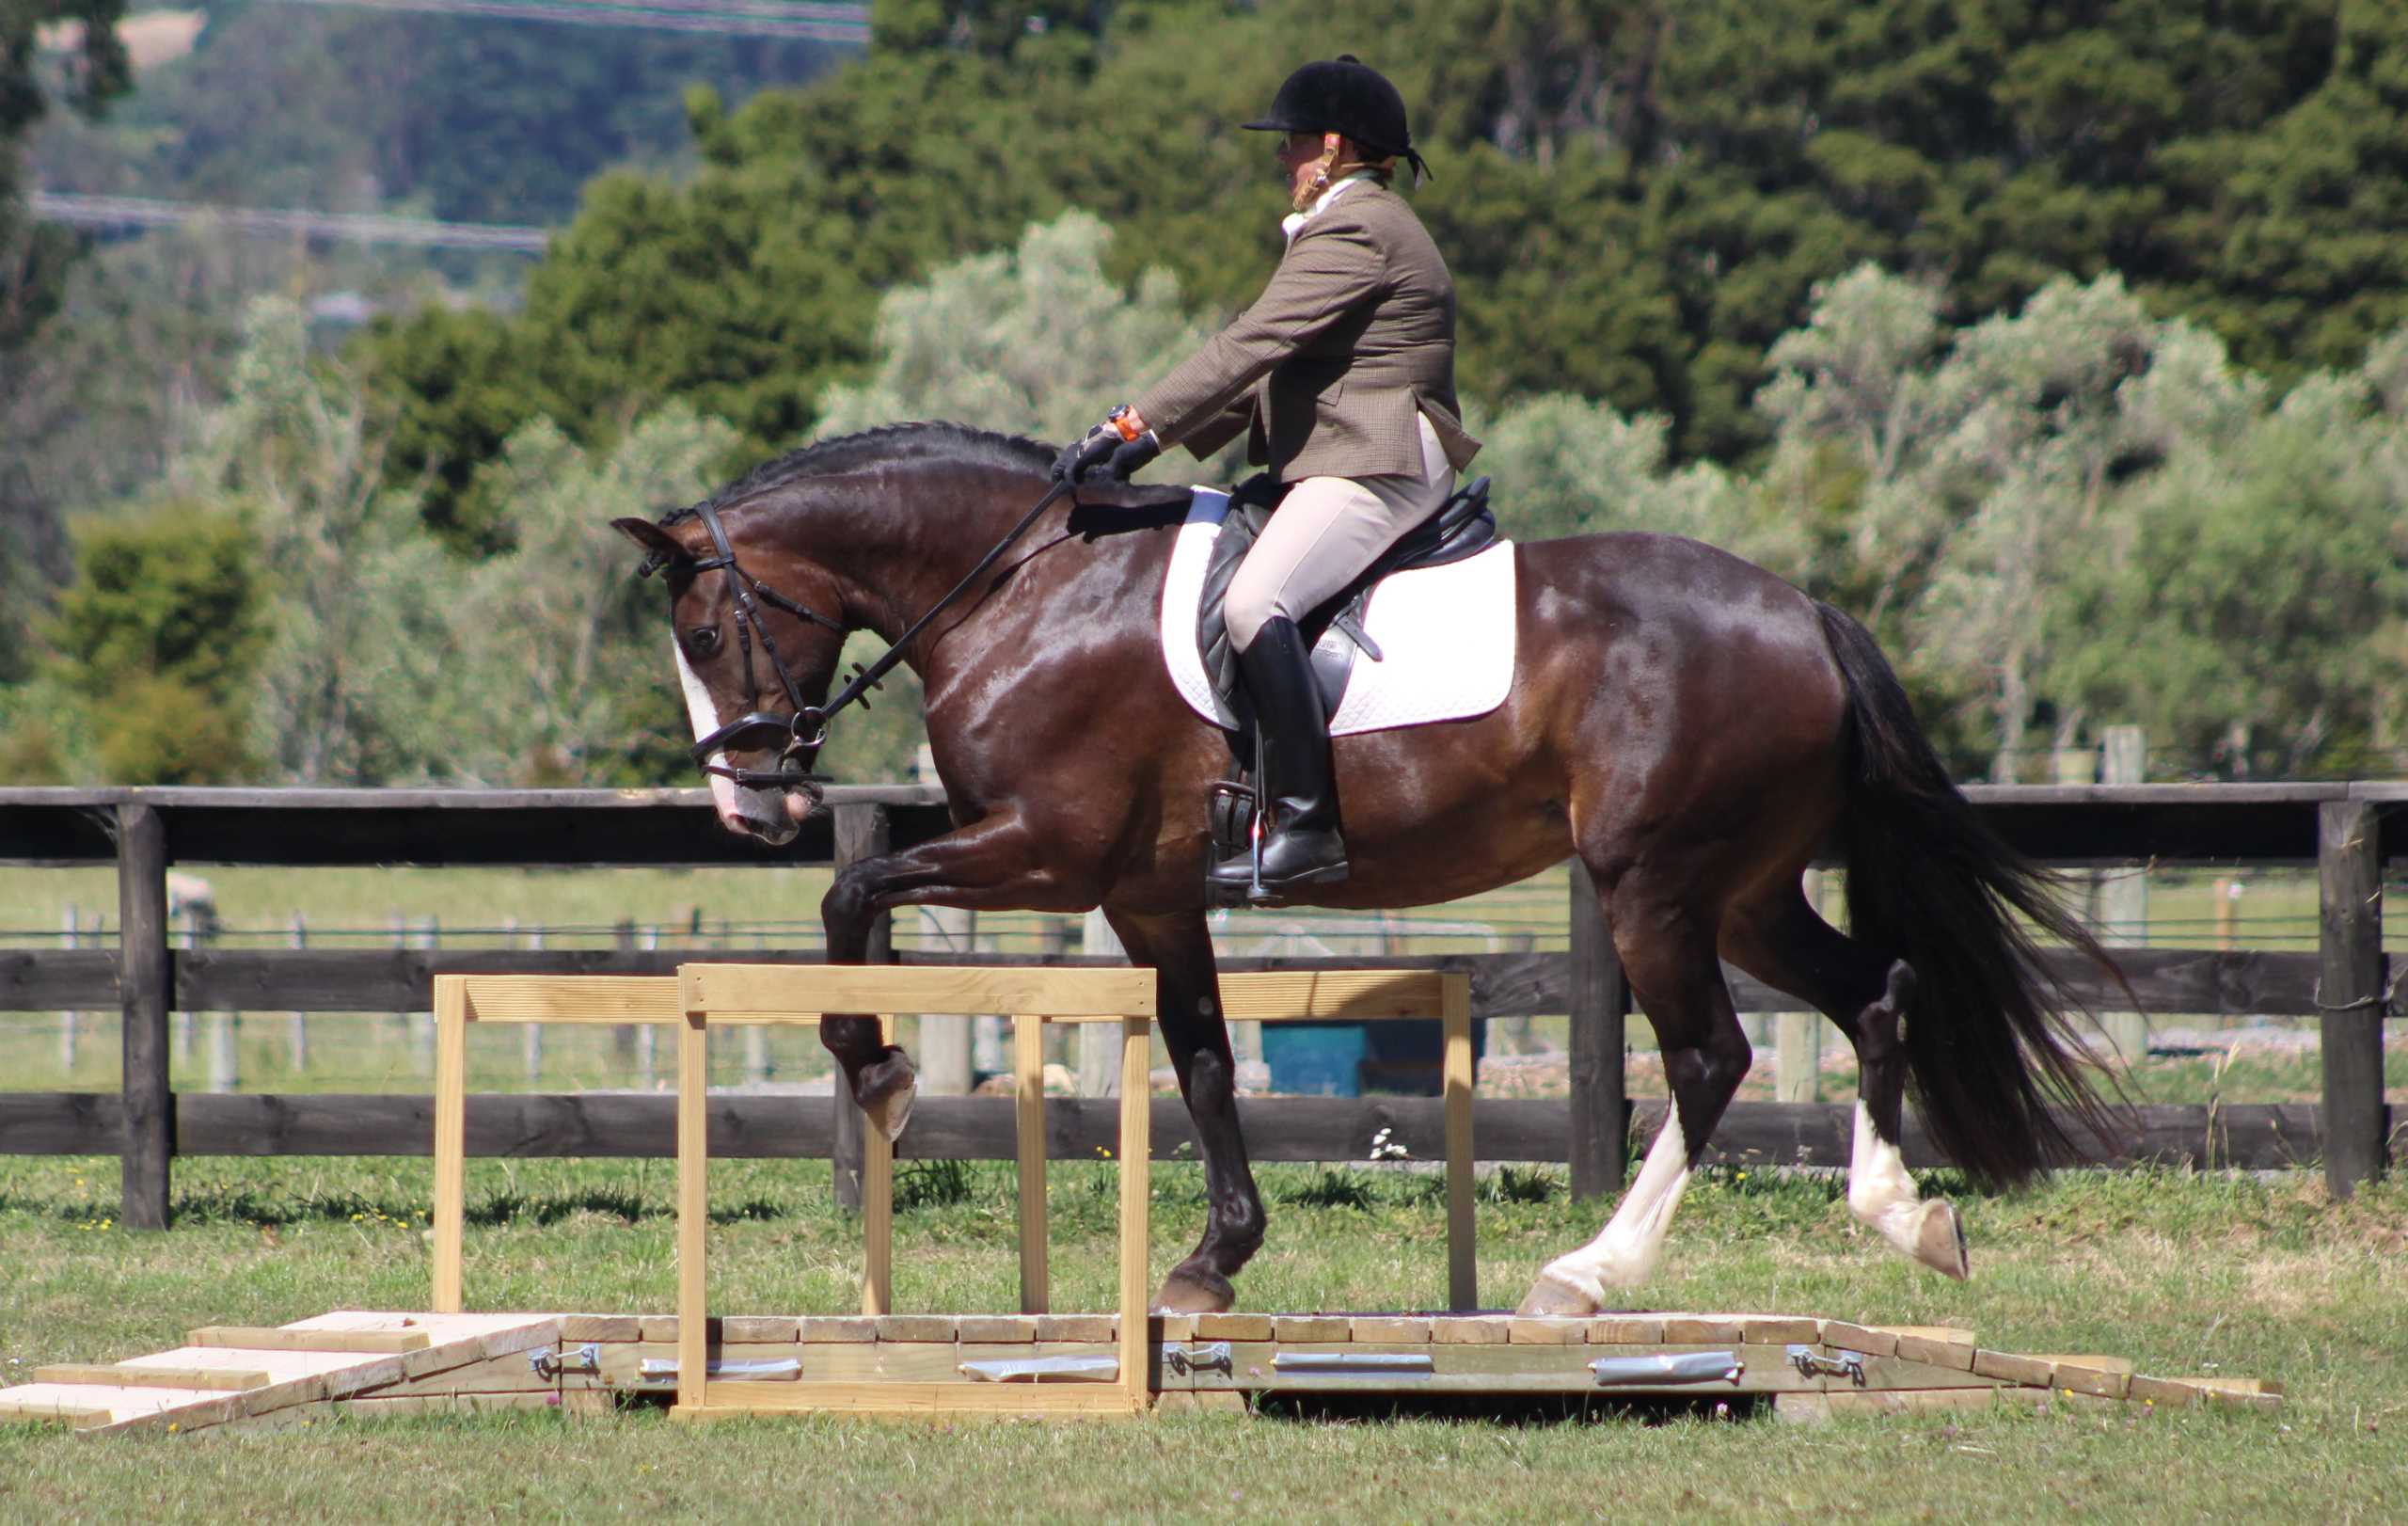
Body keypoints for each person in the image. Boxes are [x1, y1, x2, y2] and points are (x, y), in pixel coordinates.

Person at [1054, 55, 1481, 896]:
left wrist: (1134, 423)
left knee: (1255, 603)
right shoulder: (1356, 222)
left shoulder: (1359, 226)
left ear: (1331, 146)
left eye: (1289, 145)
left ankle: (1308, 823)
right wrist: (1146, 447)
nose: (1281, 161)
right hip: (1346, 452)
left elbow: (1252, 342)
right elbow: (1267, 368)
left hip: (1379, 458)